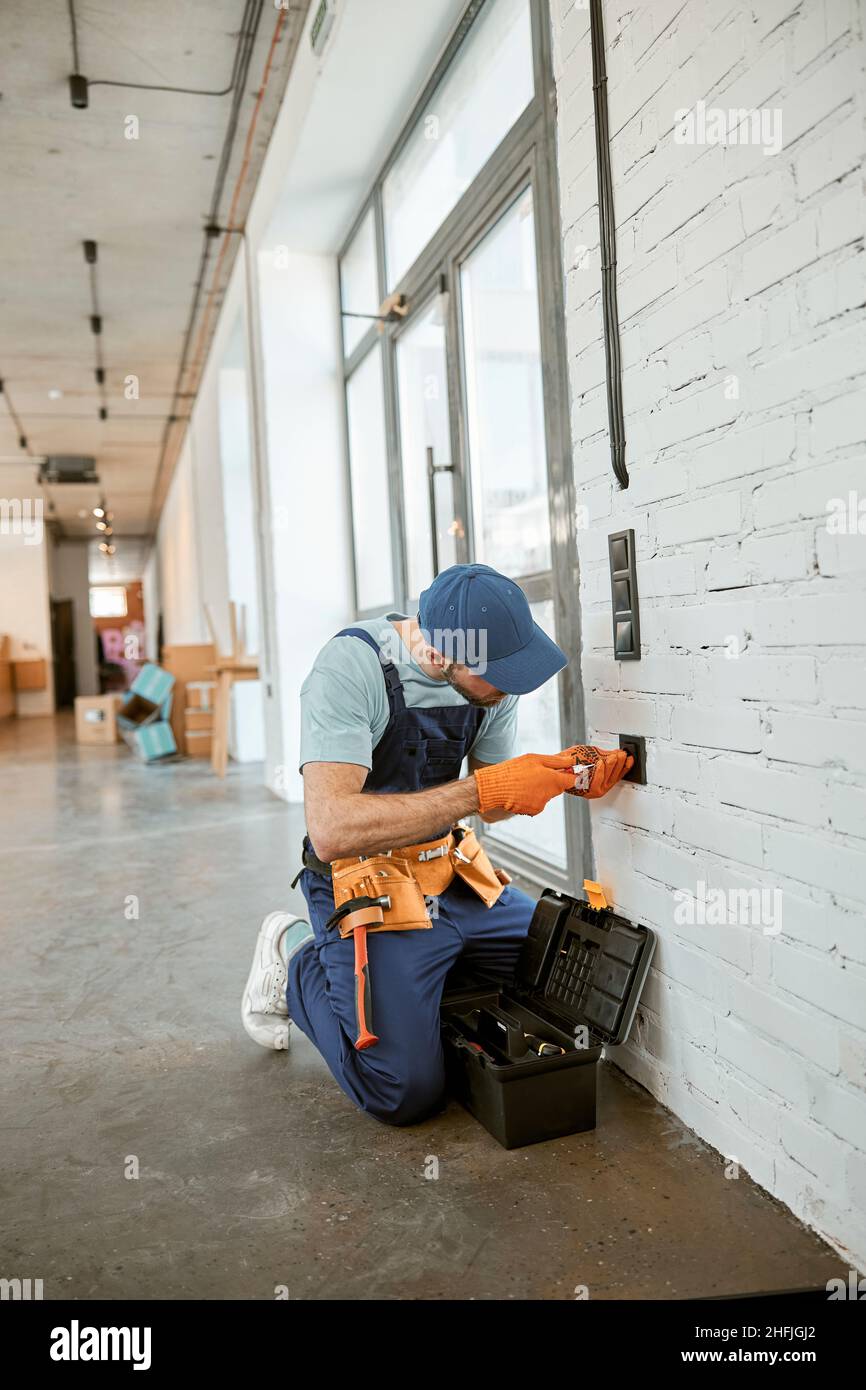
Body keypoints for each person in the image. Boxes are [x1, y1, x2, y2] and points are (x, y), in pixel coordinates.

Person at [241, 563, 631, 1125]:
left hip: (446, 873)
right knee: (405, 1090)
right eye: (499, 672)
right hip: (363, 884)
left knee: (559, 964)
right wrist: (480, 789)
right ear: (444, 655)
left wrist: (561, 776)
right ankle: (297, 954)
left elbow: (492, 798)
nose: (511, 686)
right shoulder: (353, 668)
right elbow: (332, 830)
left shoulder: (492, 689)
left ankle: (418, 979)